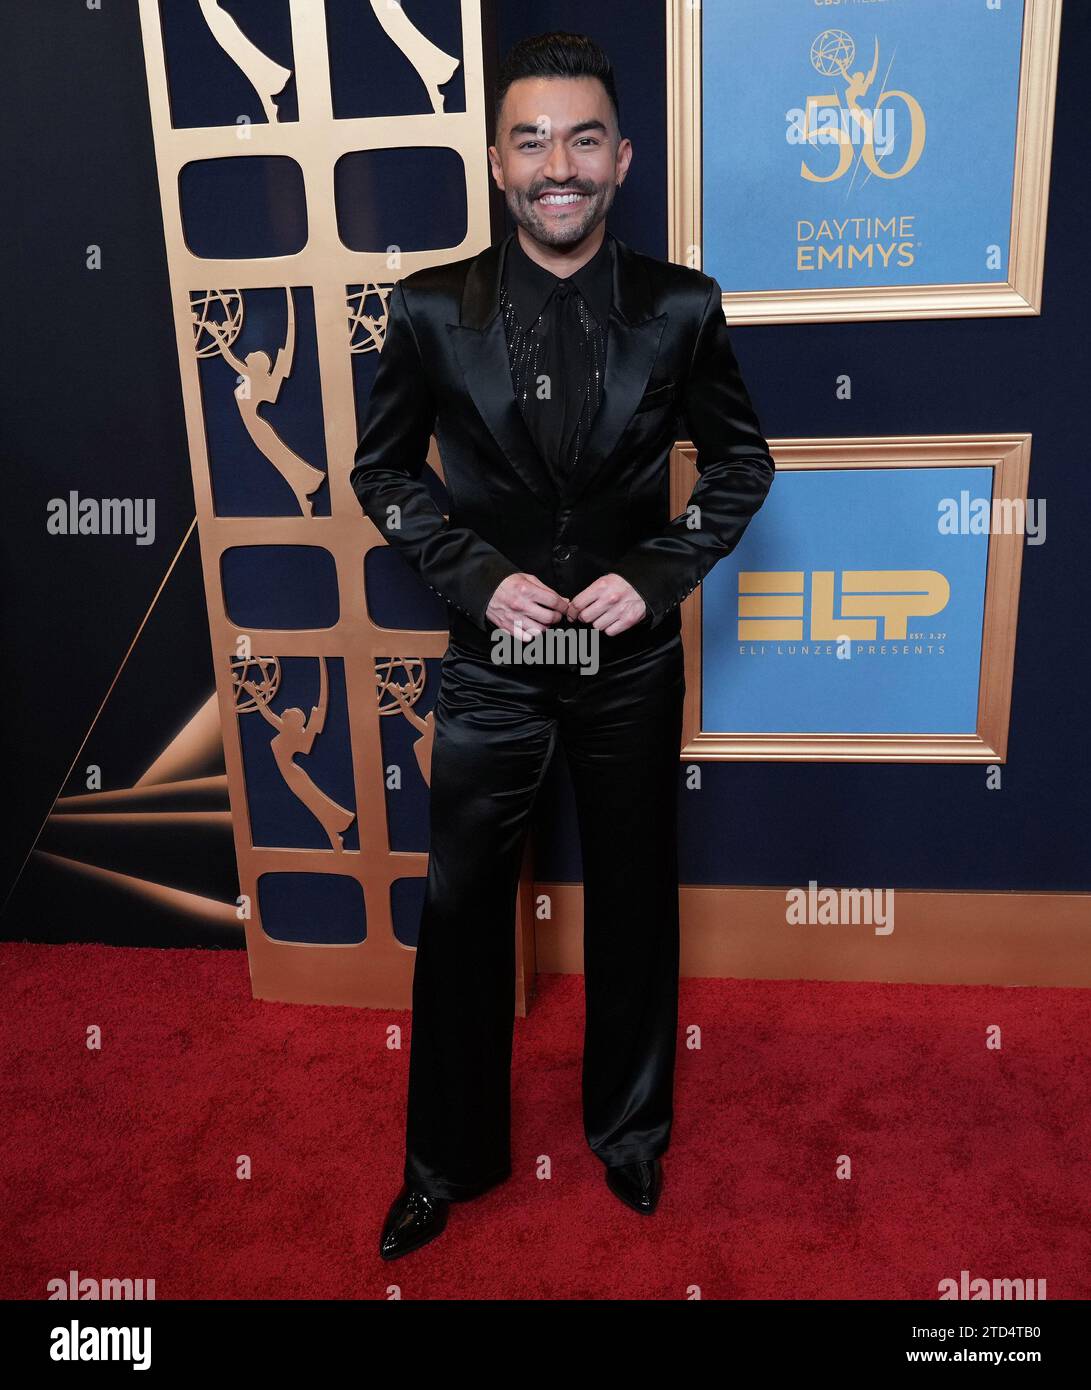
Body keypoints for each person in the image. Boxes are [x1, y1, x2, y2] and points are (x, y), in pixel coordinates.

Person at [350, 31, 776, 1261]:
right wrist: (479, 578)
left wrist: (652, 575)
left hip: (626, 665)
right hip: (491, 665)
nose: (557, 164)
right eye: (531, 139)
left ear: (621, 158)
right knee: (462, 908)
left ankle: (629, 1135)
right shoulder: (431, 306)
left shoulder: (682, 305)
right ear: (495, 161)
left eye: (582, 138)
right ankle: (445, 1159)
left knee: (635, 901)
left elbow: (742, 461)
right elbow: (381, 470)